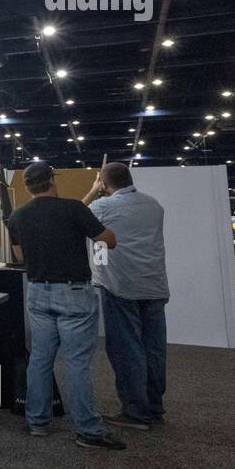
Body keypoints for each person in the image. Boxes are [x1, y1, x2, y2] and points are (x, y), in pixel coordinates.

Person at [6, 161, 123, 450]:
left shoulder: (17, 217)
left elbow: (20, 257)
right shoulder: (73, 209)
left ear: (28, 186)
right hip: (73, 293)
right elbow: (108, 241)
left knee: (40, 359)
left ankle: (37, 422)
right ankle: (87, 430)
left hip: (37, 292)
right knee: (77, 363)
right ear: (52, 180)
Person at [84, 163, 169, 430]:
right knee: (153, 349)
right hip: (154, 286)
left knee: (127, 349)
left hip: (120, 286)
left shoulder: (104, 207)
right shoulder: (153, 205)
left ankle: (135, 412)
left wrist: (93, 190)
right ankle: (153, 407)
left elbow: (73, 214)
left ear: (105, 183)